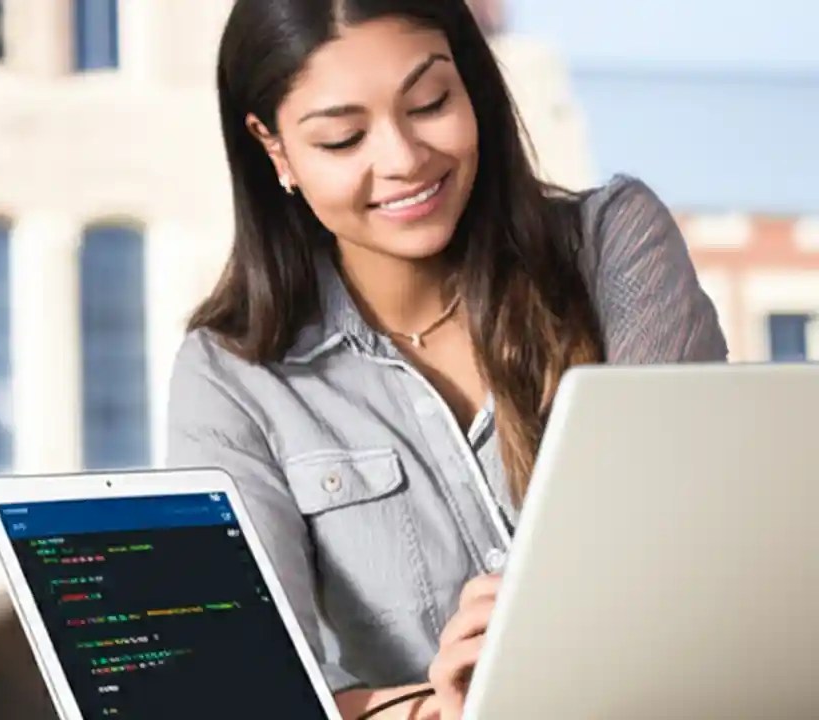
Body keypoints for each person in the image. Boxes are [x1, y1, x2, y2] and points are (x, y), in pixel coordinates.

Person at [164, 1, 729, 718]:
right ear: (274, 148)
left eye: (430, 104)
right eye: (343, 138)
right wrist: (436, 707)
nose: (404, 160)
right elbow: (246, 693)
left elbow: (690, 555)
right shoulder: (231, 379)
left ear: (471, 84)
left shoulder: (612, 248)